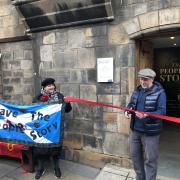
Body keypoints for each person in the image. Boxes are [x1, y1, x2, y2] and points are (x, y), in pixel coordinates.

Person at [124, 68, 166, 180]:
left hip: (150, 133)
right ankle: (140, 177)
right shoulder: (137, 90)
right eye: (141, 79)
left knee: (150, 159)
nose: (142, 81)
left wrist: (147, 115)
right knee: (135, 156)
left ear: (152, 79)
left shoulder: (160, 92)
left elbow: (162, 111)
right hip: (135, 130)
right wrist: (127, 111)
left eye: (145, 79)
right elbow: (130, 104)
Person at [32, 78, 72, 179]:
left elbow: (68, 110)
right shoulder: (38, 97)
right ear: (44, 88)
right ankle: (41, 168)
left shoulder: (59, 96)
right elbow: (32, 111)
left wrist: (67, 104)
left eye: (52, 85)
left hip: (55, 129)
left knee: (55, 149)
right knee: (40, 149)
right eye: (48, 86)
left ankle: (56, 167)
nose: (51, 87)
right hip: (42, 129)